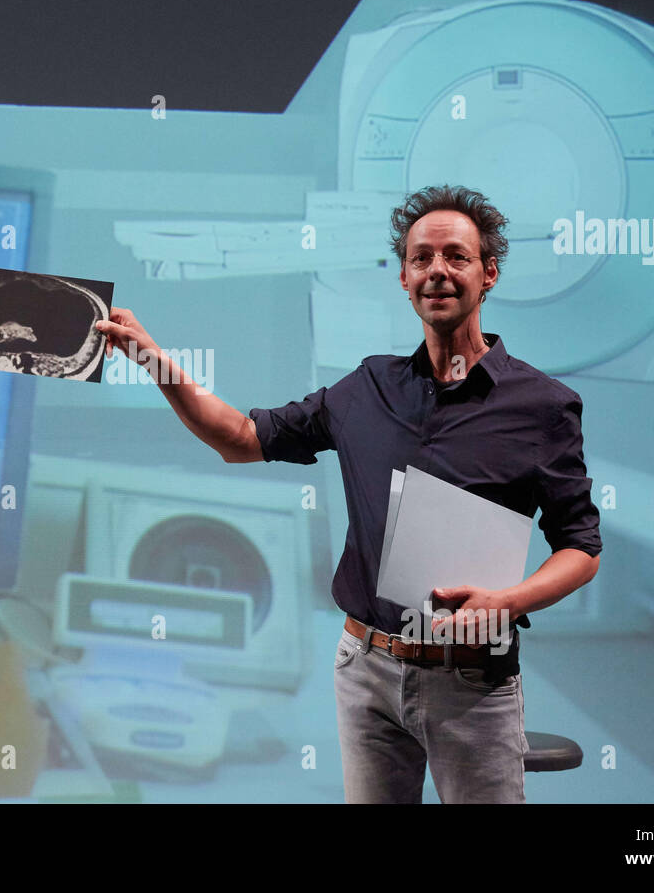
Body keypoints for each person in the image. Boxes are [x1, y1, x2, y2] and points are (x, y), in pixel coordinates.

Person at [94, 184, 601, 803]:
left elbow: (580, 547)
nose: (437, 270)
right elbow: (239, 437)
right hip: (366, 667)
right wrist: (154, 361)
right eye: (421, 257)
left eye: (456, 256)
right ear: (405, 277)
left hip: (470, 677)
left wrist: (510, 600)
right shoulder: (368, 387)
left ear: (488, 274)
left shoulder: (541, 406)